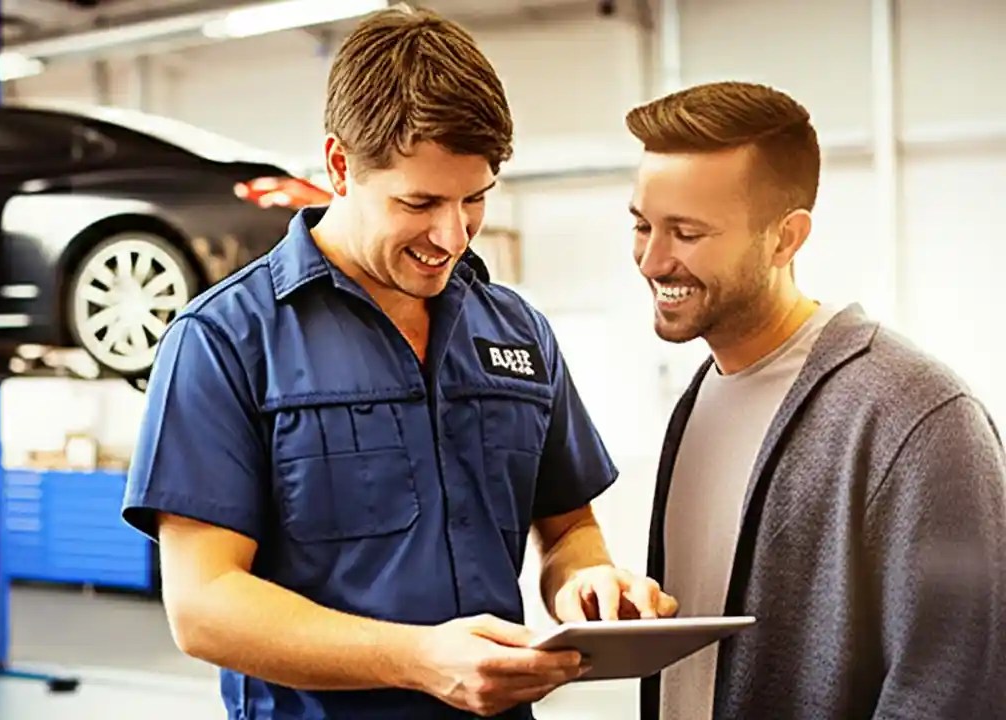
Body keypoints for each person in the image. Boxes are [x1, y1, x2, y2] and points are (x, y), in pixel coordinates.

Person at [122, 5, 676, 719]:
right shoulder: (226, 341)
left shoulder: (517, 331)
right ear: (339, 166)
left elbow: (568, 526)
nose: (451, 235)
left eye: (474, 199)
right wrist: (418, 661)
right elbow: (203, 605)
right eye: (420, 202)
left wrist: (588, 583)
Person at [623, 80, 1006, 720]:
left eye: (686, 233)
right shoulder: (698, 404)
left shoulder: (918, 416)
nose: (652, 261)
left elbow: (957, 684)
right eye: (642, 225)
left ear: (785, 238)